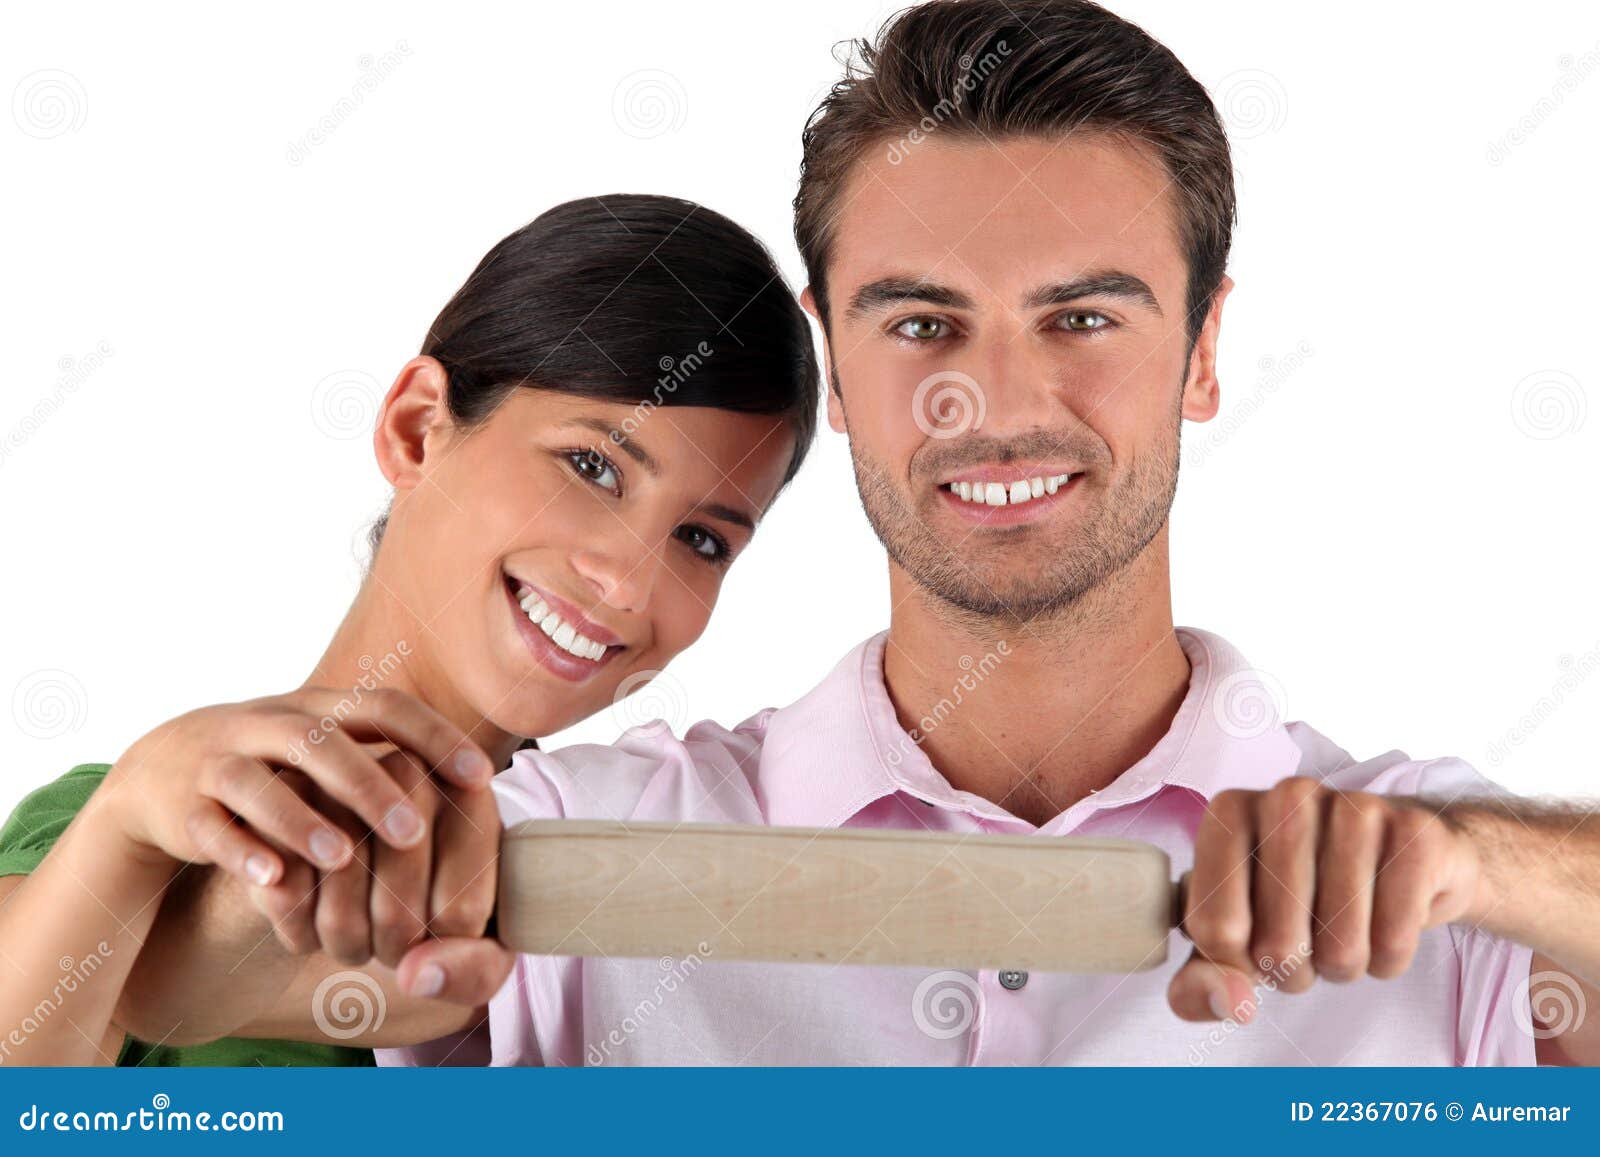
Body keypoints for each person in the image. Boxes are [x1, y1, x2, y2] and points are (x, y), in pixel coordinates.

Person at [13, 0, 1600, 1067]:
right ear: (838, 366)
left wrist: (1483, 863)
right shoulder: (588, 825)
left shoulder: (1433, 888)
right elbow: (157, 996)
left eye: (1086, 317)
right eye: (922, 323)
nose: (995, 402)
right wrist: (161, 841)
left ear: (1200, 350)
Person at [0, 193, 819, 1065]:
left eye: (701, 539)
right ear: (417, 429)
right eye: (593, 466)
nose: (628, 578)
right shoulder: (112, 824)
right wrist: (125, 825)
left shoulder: (614, 877)